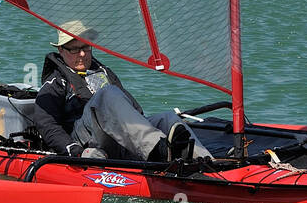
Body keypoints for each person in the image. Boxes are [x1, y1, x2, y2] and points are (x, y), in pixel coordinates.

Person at [30, 21, 210, 163]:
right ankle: (158, 151)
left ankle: (207, 163)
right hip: (84, 139)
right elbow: (46, 123)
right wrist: (73, 150)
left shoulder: (104, 72)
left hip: (113, 135)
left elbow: (135, 110)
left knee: (168, 118)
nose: (82, 54)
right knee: (107, 94)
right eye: (74, 49)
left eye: (85, 47)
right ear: (61, 50)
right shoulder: (55, 82)